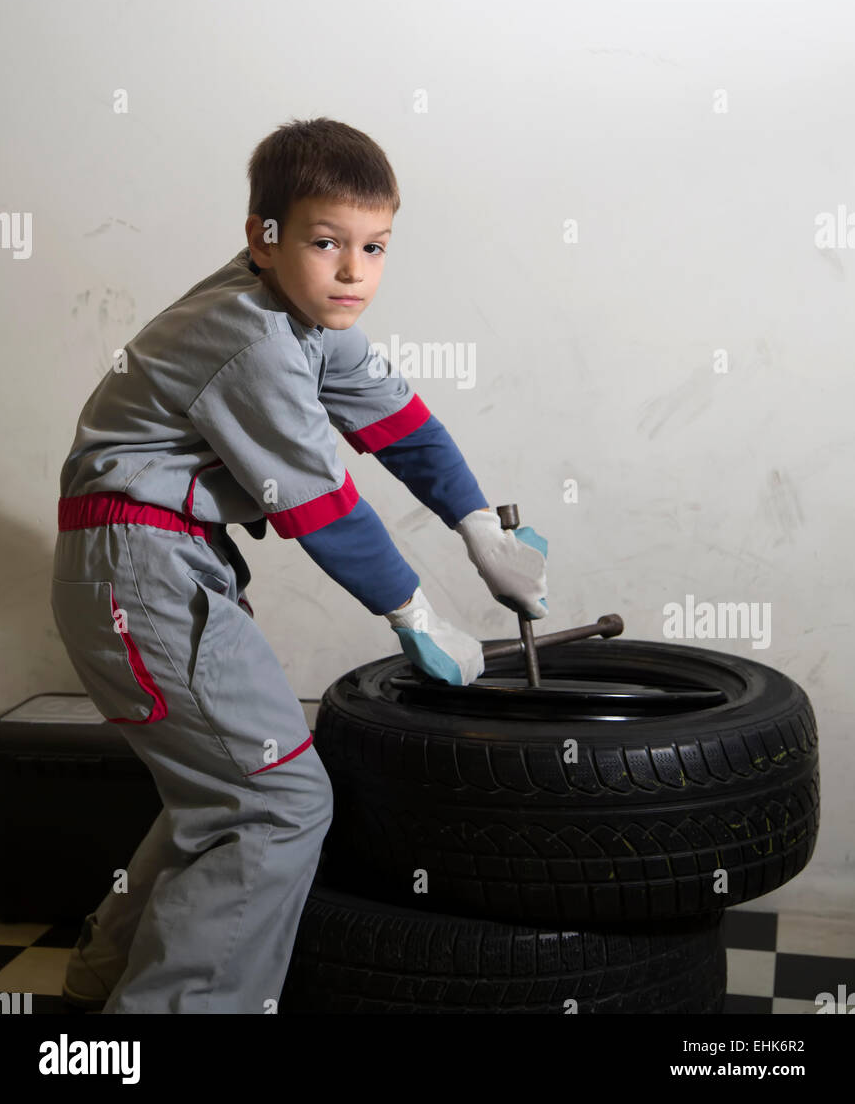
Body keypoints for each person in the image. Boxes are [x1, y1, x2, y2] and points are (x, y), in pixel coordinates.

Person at [51, 116, 548, 1014]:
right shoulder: (252, 340)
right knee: (274, 802)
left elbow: (402, 427)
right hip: (137, 574)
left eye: (375, 246)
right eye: (328, 243)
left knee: (236, 786)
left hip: (163, 565)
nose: (354, 270)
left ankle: (102, 997)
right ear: (265, 237)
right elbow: (322, 504)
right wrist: (417, 618)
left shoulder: (308, 315)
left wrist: (480, 529)